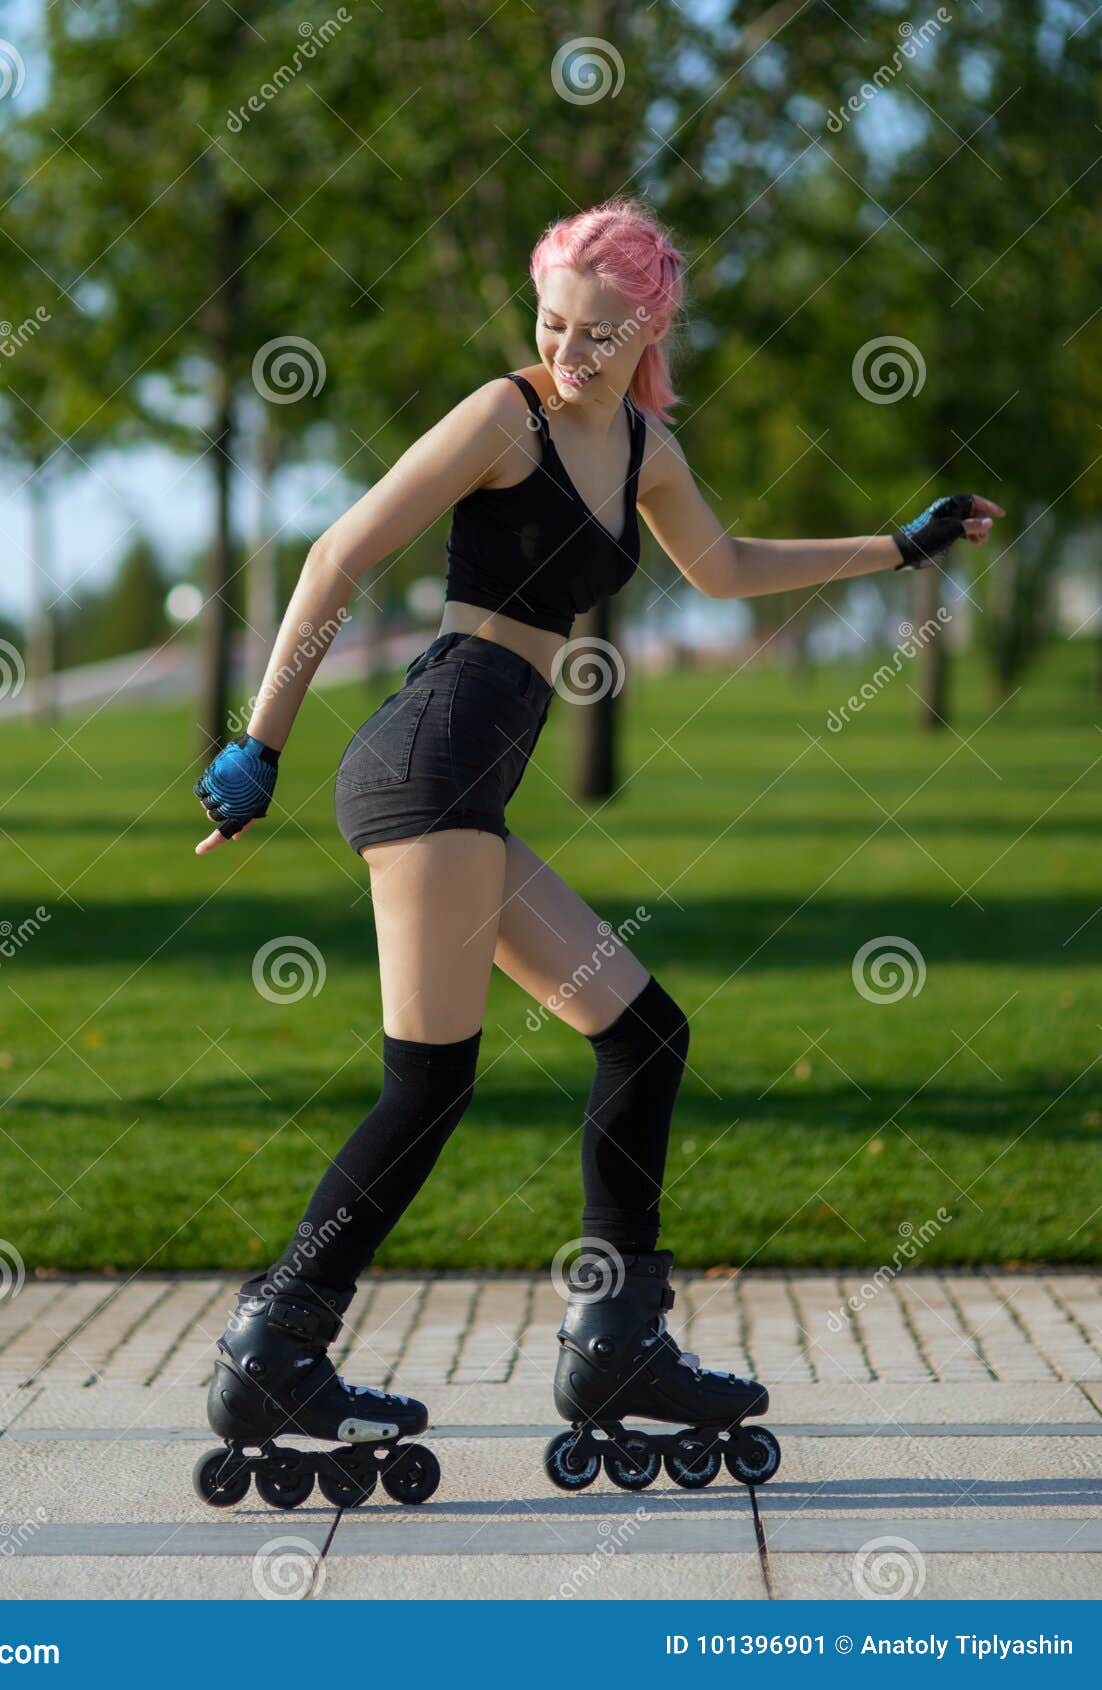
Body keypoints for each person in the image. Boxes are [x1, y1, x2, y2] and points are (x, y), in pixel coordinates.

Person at [189, 195, 1004, 1507]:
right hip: (433, 758)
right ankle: (275, 1346)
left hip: (468, 782)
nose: (567, 347)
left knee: (642, 1033)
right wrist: (258, 745)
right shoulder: (503, 414)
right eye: (552, 321)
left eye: (595, 330)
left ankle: (614, 1342)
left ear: (645, 330)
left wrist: (893, 548)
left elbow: (726, 566)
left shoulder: (637, 446)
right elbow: (340, 549)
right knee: (426, 1085)